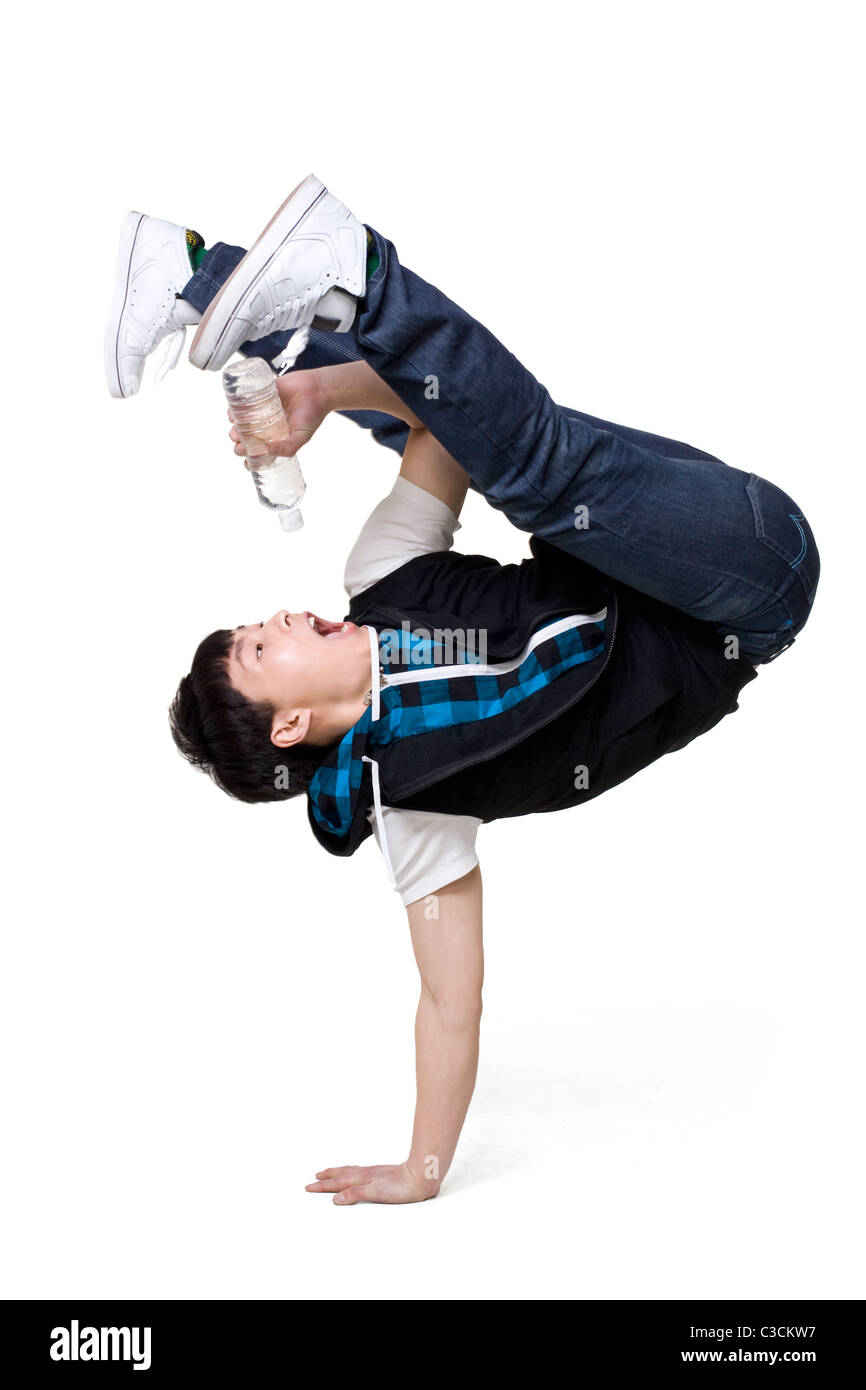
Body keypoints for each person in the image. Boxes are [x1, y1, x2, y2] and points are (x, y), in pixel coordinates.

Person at [105, 175, 820, 1205]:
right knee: (532, 471)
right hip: (740, 595)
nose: (280, 617)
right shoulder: (413, 799)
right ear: (292, 724)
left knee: (476, 438)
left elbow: (439, 424)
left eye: (258, 624)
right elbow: (449, 1002)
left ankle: (194, 278)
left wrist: (321, 398)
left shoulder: (379, 577)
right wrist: (421, 1168)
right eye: (261, 648)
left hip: (679, 515)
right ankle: (355, 271)